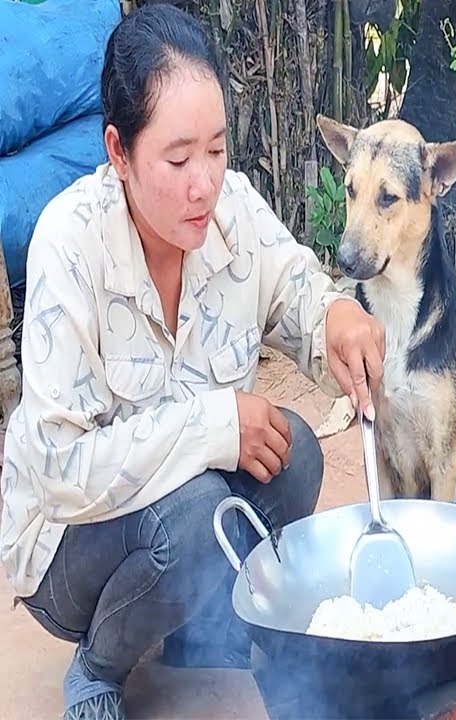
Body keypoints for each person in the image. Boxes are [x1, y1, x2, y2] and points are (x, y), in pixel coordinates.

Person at [0, 6, 385, 720]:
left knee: (294, 453)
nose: (203, 182)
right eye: (177, 160)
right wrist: (211, 428)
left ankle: (199, 636)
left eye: (215, 150)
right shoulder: (67, 245)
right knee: (199, 510)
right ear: (118, 152)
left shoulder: (230, 206)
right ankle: (97, 667)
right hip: (66, 550)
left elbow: (292, 281)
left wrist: (335, 314)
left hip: (180, 517)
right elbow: (61, 474)